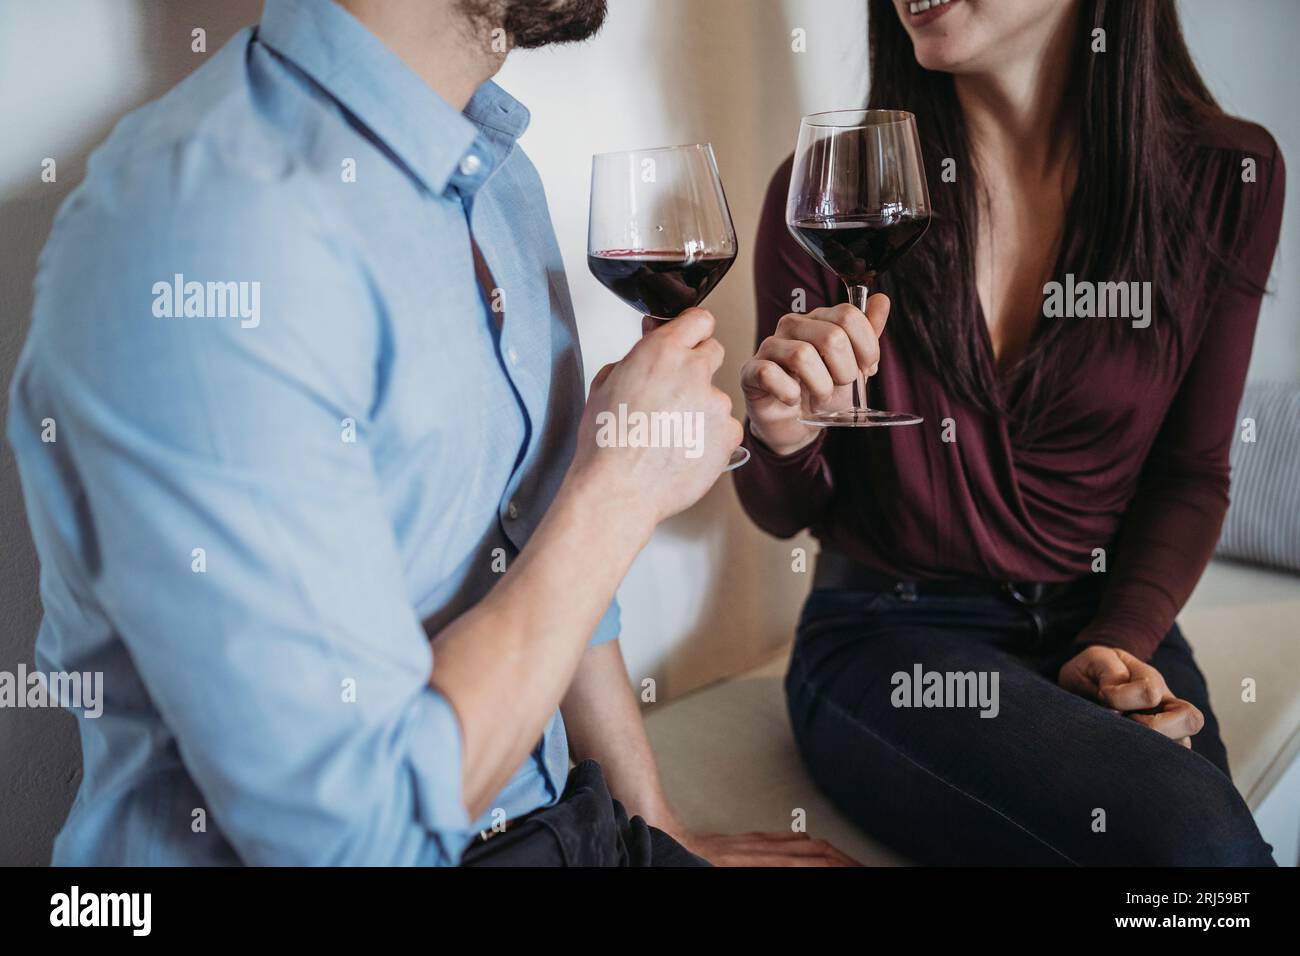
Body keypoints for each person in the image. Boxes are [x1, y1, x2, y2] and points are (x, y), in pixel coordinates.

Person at [8, 0, 856, 867]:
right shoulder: (204, 234)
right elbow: (355, 840)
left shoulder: (496, 176)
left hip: (561, 833)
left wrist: (656, 829)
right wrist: (619, 491)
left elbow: (544, 559)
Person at [736, 0, 1284, 865]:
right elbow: (782, 513)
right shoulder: (829, 192)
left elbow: (1190, 473)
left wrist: (1120, 642)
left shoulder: (1228, 174)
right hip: (890, 628)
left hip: (1105, 615)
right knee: (1195, 848)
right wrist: (782, 434)